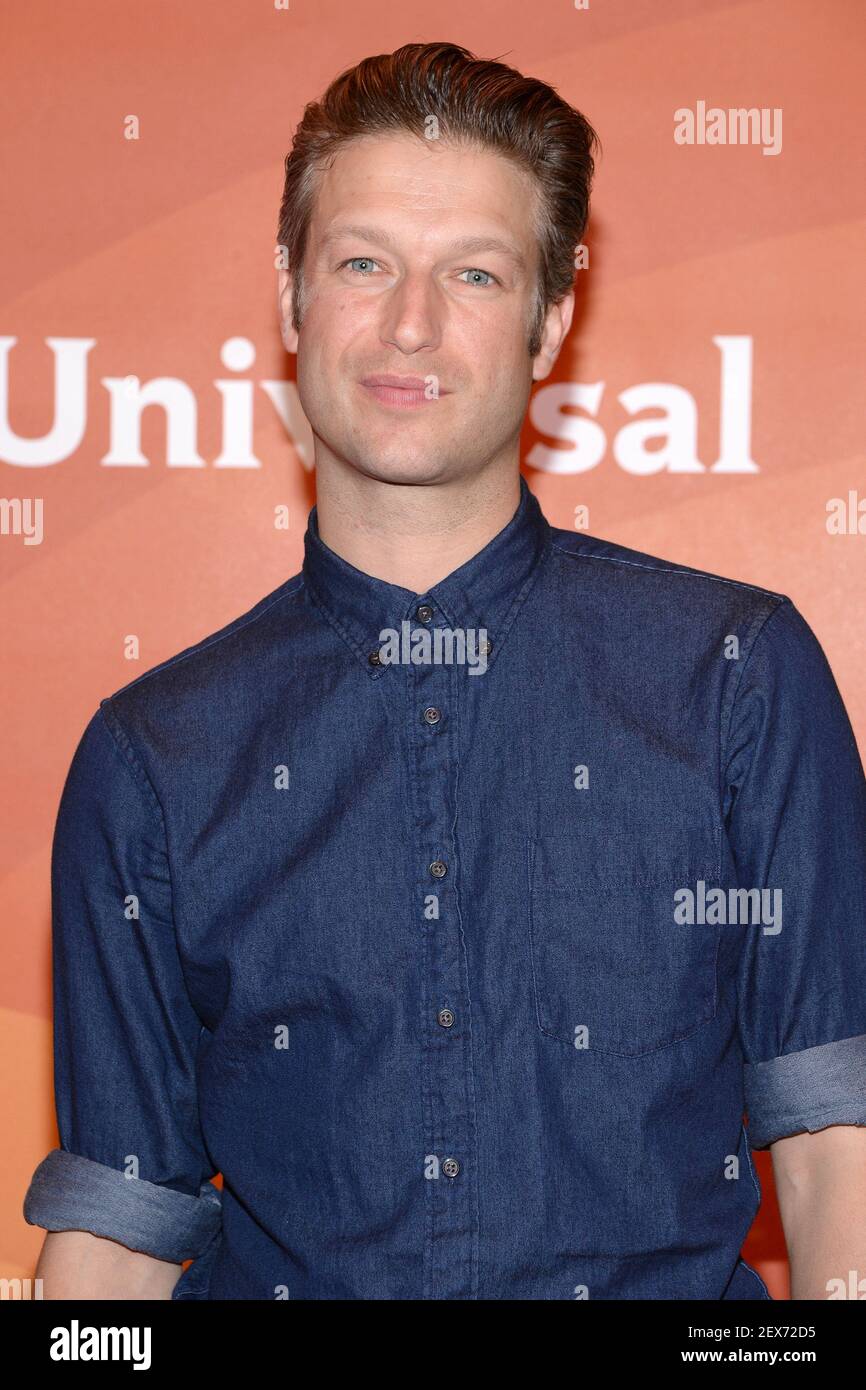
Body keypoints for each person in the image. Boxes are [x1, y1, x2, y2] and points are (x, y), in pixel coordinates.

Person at [24, 41, 866, 1300]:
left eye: (472, 272)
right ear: (290, 295)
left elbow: (831, 1141)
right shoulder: (155, 756)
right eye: (362, 261)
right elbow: (119, 1228)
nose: (407, 323)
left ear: (549, 320)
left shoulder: (733, 677)